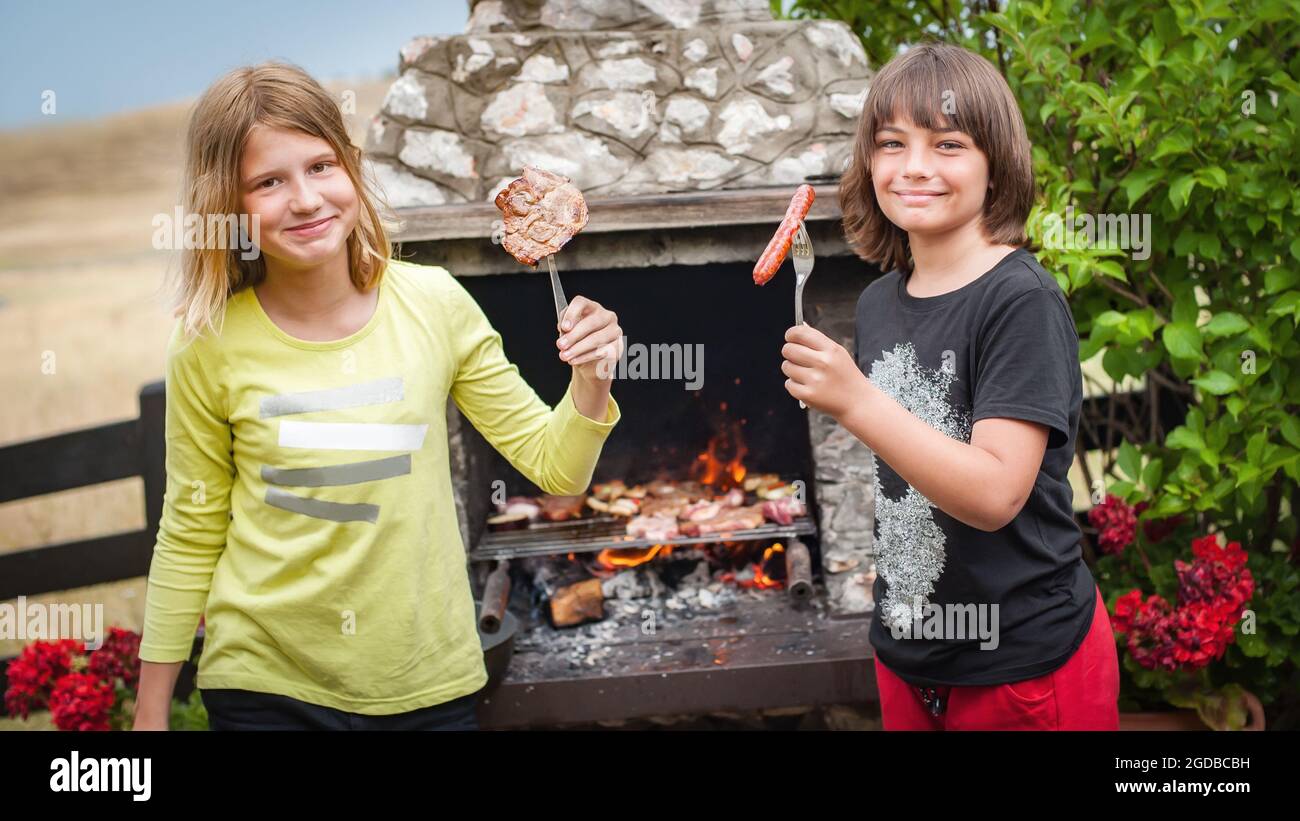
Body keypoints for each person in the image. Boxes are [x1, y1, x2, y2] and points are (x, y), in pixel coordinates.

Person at [132, 61, 623, 730]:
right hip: (265, 686)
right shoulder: (206, 343)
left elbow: (557, 469)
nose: (305, 199)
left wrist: (591, 379)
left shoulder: (435, 303)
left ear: (352, 171)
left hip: (428, 684)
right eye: (269, 181)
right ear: (229, 204)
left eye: (320, 166)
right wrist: (152, 712)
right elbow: (189, 532)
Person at [780, 42, 1119, 730]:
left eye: (949, 144)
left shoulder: (1020, 300)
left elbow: (996, 494)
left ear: (996, 163)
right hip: (909, 654)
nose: (914, 167)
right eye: (892, 143)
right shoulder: (877, 303)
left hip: (1022, 666)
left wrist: (856, 399)